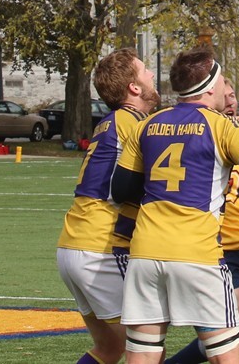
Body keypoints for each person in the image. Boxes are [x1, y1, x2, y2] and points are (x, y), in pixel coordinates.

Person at [112, 49, 239, 364]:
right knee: (226, 351)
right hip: (197, 254)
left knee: (143, 353)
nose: (228, 87)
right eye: (224, 80)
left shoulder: (147, 124)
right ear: (210, 87)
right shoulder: (224, 126)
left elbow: (121, 190)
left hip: (145, 252)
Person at [57, 48, 160, 364]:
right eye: (145, 71)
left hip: (72, 244)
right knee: (145, 347)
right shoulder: (134, 124)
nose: (152, 75)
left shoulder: (115, 121)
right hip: (102, 247)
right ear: (134, 87)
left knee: (109, 349)